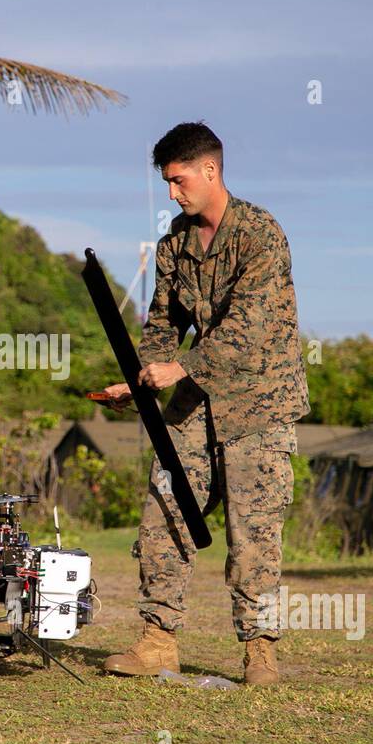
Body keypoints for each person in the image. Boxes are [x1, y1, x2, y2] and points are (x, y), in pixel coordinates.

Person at [98, 122, 309, 686]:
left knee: (253, 533)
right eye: (167, 183)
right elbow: (164, 323)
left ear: (210, 170)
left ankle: (260, 651)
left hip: (260, 404)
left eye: (179, 180)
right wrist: (146, 376)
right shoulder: (174, 244)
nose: (173, 193)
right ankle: (157, 640)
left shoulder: (261, 234)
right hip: (195, 404)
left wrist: (181, 367)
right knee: (165, 511)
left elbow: (252, 325)